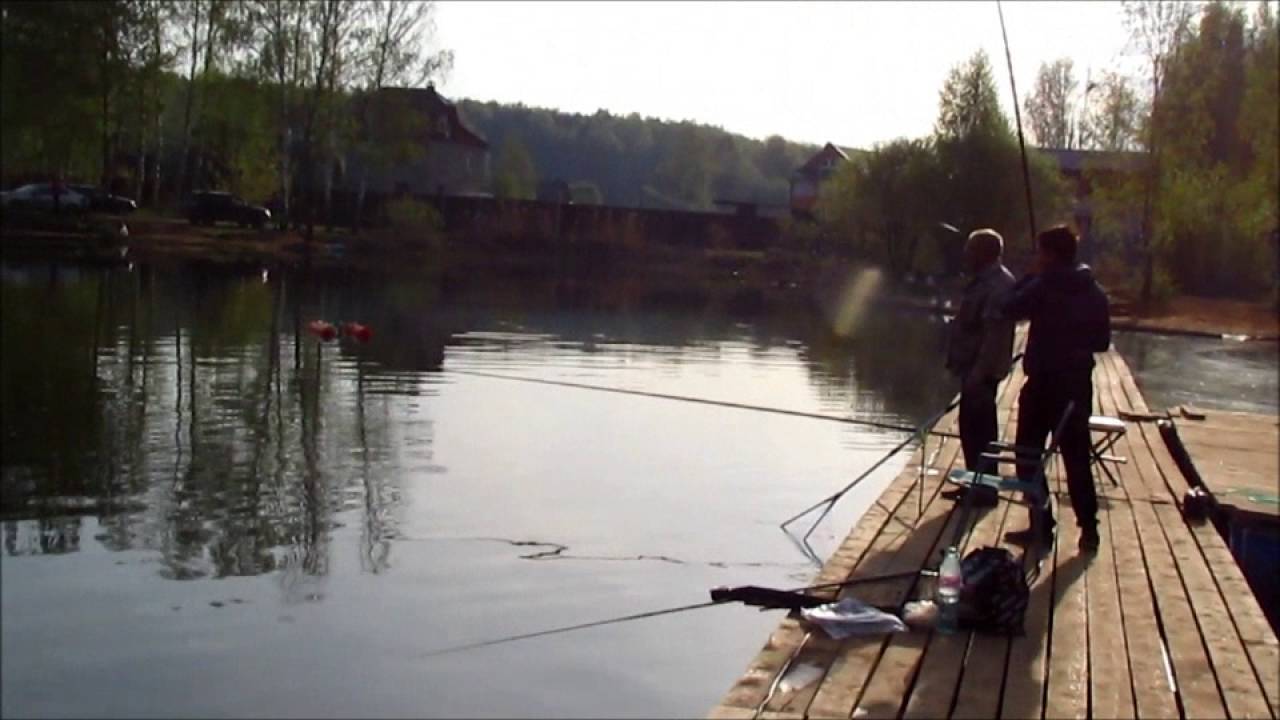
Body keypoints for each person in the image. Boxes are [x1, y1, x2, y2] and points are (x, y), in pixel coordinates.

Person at [999, 225, 1111, 552]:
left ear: (1049, 254)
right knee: (1077, 460)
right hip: (1076, 387)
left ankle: (1041, 524)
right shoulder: (1095, 292)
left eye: (1039, 252)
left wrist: (1030, 277)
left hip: (1043, 386)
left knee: (1028, 457)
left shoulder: (1042, 285)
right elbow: (1102, 342)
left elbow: (1008, 308)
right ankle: (1089, 529)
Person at [942, 228, 1016, 505]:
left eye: (970, 250)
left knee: (982, 433)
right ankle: (975, 484)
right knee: (970, 429)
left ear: (985, 253)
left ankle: (985, 491)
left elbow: (993, 335)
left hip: (981, 372)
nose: (966, 255)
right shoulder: (983, 281)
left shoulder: (997, 285)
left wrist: (979, 372)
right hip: (971, 368)